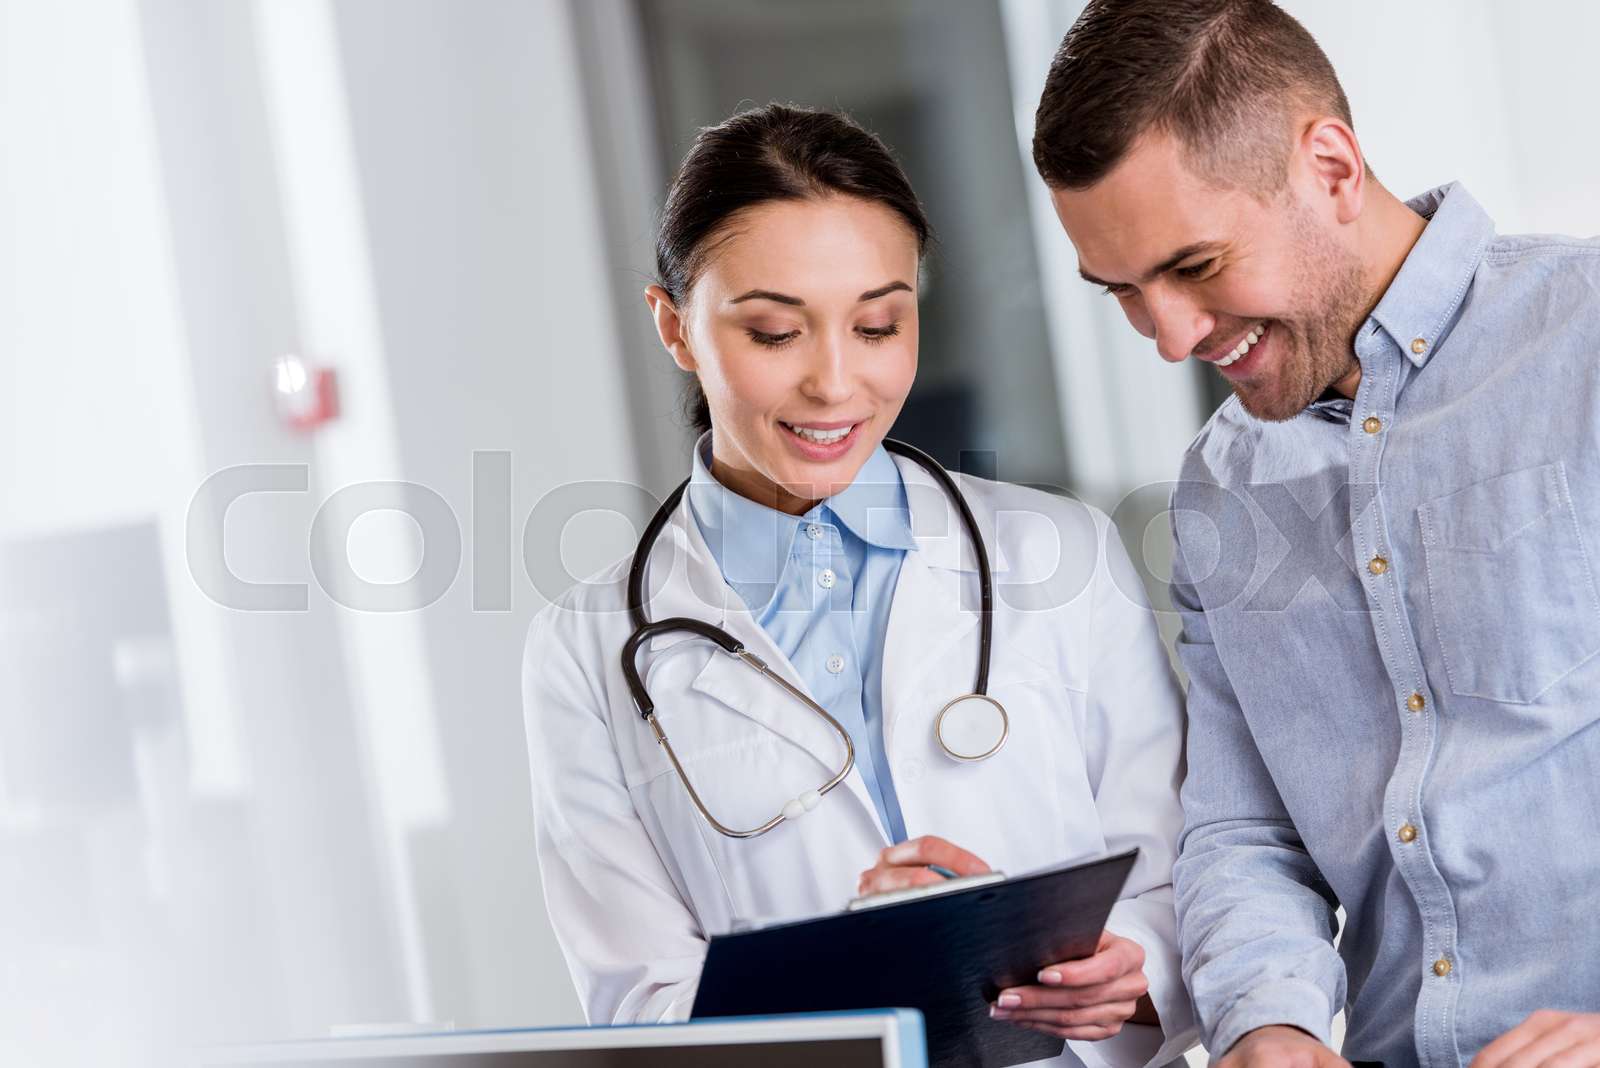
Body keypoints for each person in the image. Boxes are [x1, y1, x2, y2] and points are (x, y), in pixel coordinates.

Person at [522, 103, 1196, 1066]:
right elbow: (639, 1007)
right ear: (675, 327)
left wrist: (1130, 971)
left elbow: (1185, 881)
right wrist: (853, 971)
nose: (837, 385)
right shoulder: (584, 650)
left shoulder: (1063, 556)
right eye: (773, 334)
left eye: (878, 325)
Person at [1030, 2, 1600, 1067]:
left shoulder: (1586, 340)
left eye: (1194, 266)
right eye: (1123, 295)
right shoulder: (1222, 487)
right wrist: (1268, 1022)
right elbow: (1245, 830)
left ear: (1330, 168)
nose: (1170, 338)